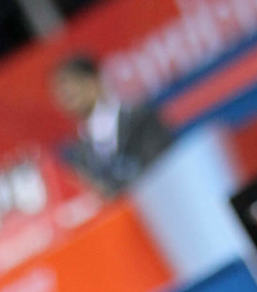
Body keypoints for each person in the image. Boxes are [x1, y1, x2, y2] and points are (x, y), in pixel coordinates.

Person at [49, 53, 173, 197]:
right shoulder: (79, 153)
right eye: (62, 93)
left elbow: (164, 164)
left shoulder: (139, 118)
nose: (66, 95)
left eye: (73, 86)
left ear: (93, 81)